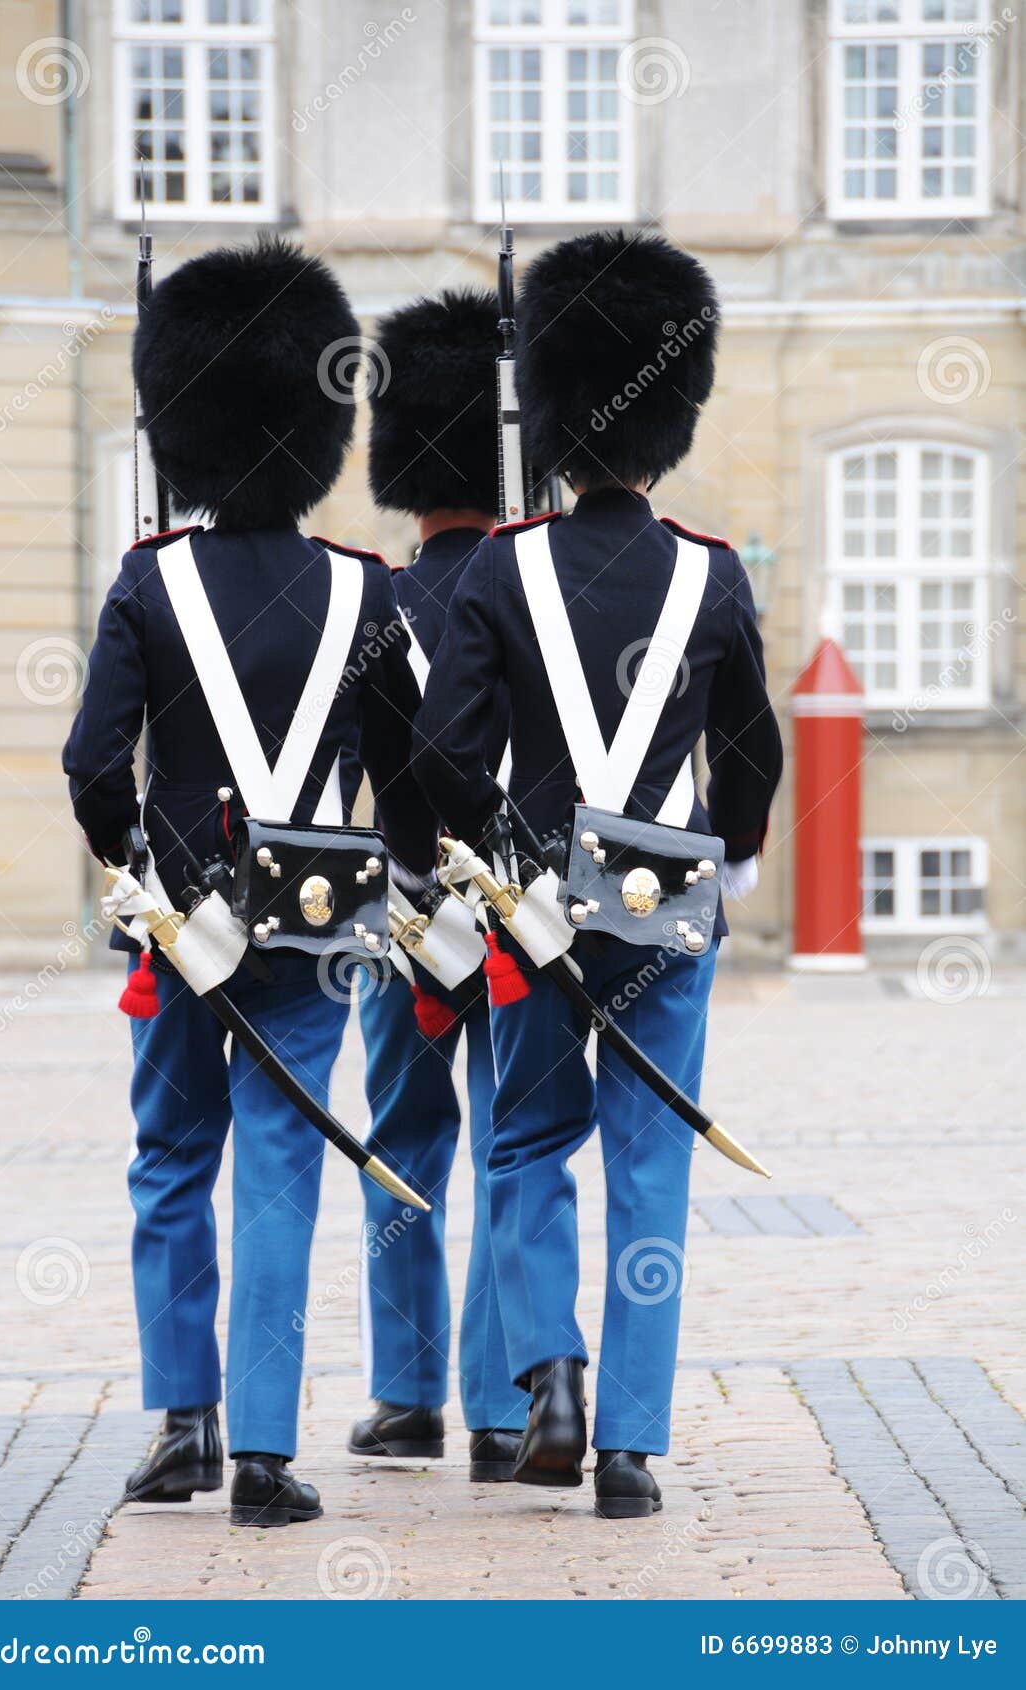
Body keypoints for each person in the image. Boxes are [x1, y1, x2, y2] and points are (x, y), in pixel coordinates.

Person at [411, 231, 783, 1519]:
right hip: (667, 904)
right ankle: (626, 1448)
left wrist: (509, 856)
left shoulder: (503, 564)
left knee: (524, 1143)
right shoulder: (711, 572)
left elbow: (443, 752)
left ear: (558, 419)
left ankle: (550, 1376)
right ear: (666, 429)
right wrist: (728, 853)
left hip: (533, 914)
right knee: (649, 1163)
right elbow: (752, 753)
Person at [63, 238, 433, 1528]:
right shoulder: (365, 589)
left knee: (172, 1160)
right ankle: (268, 1454)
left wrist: (135, 870)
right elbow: (412, 768)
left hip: (177, 929)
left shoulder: (148, 578)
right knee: (281, 1163)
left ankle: (184, 1428)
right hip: (315, 930)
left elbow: (92, 761)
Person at [347, 290, 529, 1481]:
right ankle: (501, 1407)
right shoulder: (538, 585)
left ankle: (407, 1395)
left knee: (404, 1147)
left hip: (405, 909)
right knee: (516, 1144)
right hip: (519, 916)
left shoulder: (375, 601)